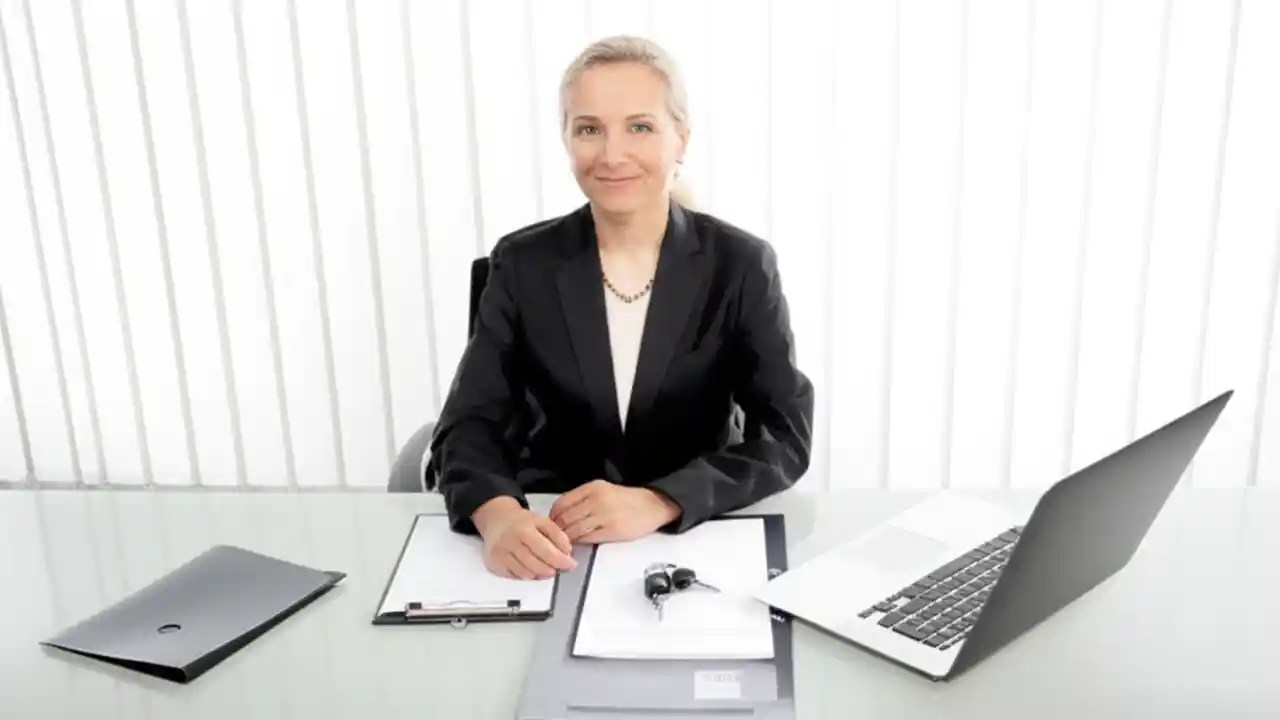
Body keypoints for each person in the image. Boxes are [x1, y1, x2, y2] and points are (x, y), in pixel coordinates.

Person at [426, 36, 813, 580]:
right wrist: (497, 515)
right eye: (589, 129)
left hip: (689, 545)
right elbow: (468, 423)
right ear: (566, 140)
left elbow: (785, 435)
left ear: (681, 138)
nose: (611, 154)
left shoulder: (740, 264)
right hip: (550, 540)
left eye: (640, 126)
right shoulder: (522, 262)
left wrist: (660, 500)